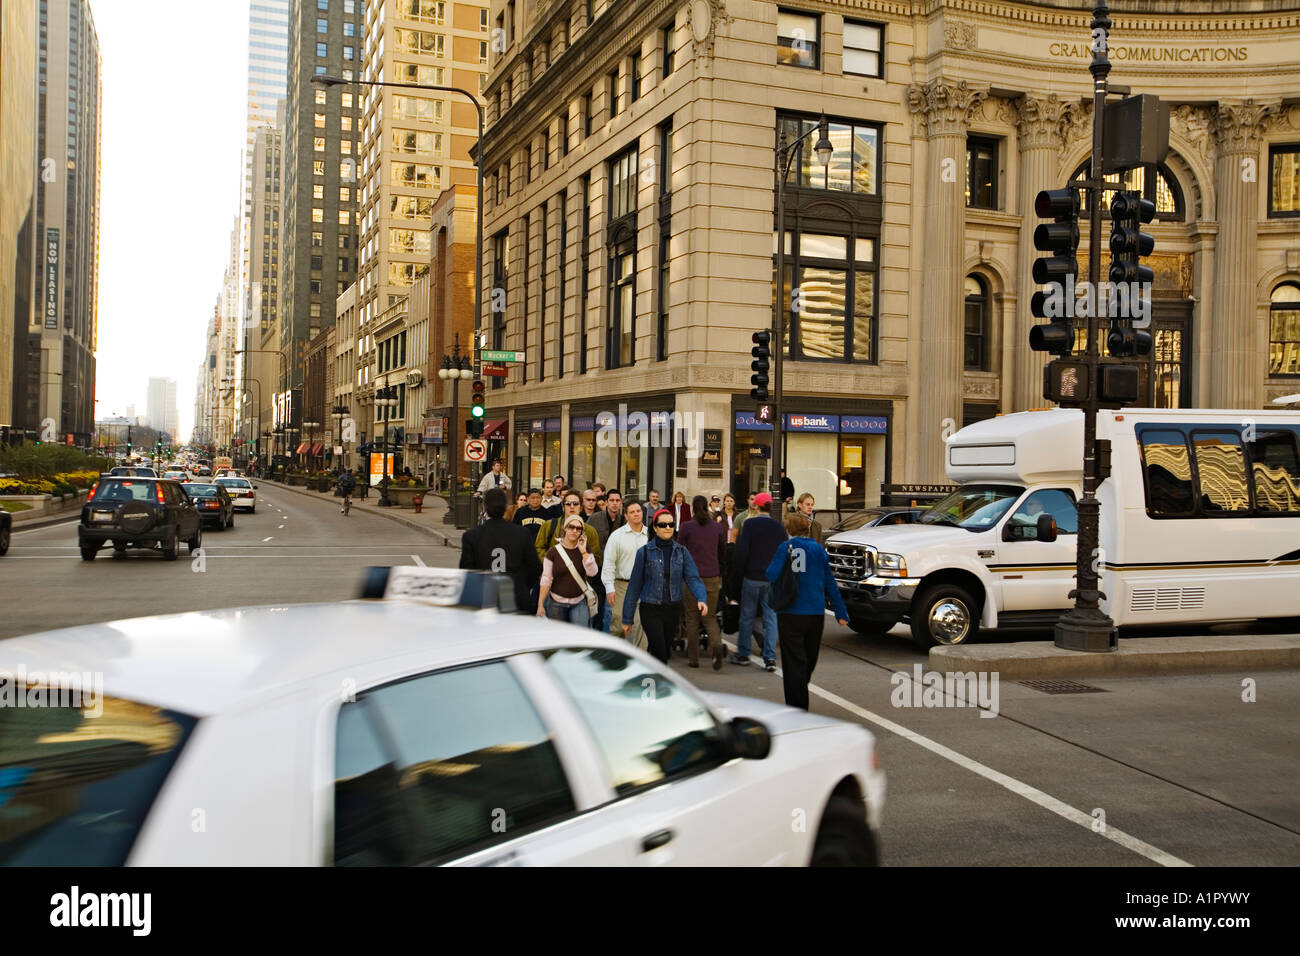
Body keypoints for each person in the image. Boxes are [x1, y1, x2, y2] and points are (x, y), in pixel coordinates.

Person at [767, 516, 850, 710]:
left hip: (790, 611)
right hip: (815, 612)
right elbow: (830, 582)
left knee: (793, 660)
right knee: (808, 658)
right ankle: (800, 692)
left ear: (788, 529)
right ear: (808, 529)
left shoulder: (785, 548)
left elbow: (771, 574)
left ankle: (797, 704)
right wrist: (841, 611)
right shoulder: (818, 550)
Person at [623, 508, 708, 664]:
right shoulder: (645, 552)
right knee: (661, 655)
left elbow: (693, 578)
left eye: (671, 524)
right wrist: (627, 618)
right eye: (663, 525)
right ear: (655, 528)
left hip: (673, 610)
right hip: (650, 609)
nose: (668, 528)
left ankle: (649, 677)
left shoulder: (682, 552)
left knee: (662, 652)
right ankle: (658, 686)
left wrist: (701, 598)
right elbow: (634, 586)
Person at [730, 492, 788, 671]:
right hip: (771, 578)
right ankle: (769, 657)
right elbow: (784, 553)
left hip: (752, 577)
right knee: (771, 617)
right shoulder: (778, 527)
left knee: (747, 616)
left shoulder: (749, 525)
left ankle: (743, 653)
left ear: (757, 506)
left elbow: (741, 552)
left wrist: (736, 577)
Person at [460, 488, 543, 614]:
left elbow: (467, 570)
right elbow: (535, 568)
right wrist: (522, 584)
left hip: (484, 599)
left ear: (485, 508)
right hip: (516, 597)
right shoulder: (521, 533)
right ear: (505, 507)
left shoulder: (472, 536)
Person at [678, 495, 727, 670]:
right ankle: (716, 647)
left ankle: (693, 658)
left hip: (691, 577)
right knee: (710, 617)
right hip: (712, 576)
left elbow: (680, 551)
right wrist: (719, 569)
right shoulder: (717, 527)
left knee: (692, 618)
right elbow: (722, 551)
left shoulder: (686, 527)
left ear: (692, 508)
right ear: (707, 507)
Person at [536, 515, 599, 627]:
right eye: (571, 527)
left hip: (579, 602)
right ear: (565, 528)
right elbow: (546, 579)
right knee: (559, 639)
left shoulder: (585, 549)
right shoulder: (553, 552)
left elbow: (592, 573)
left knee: (579, 639)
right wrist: (540, 604)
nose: (574, 530)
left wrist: (584, 552)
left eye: (578, 528)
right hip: (556, 603)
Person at [602, 501, 649, 648]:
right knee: (618, 624)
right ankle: (617, 658)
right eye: (632, 512)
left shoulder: (650, 535)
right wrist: (609, 588)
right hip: (622, 585)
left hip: (644, 586)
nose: (636, 514)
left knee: (641, 624)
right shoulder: (617, 536)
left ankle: (641, 661)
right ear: (626, 515)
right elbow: (609, 563)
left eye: (638, 511)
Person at [535, 492, 602, 567]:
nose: (572, 506)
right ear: (563, 508)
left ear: (581, 508)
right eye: (568, 504)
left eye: (575, 504)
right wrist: (552, 564)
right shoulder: (549, 525)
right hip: (553, 575)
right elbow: (539, 548)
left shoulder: (590, 531)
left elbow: (596, 556)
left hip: (579, 576)